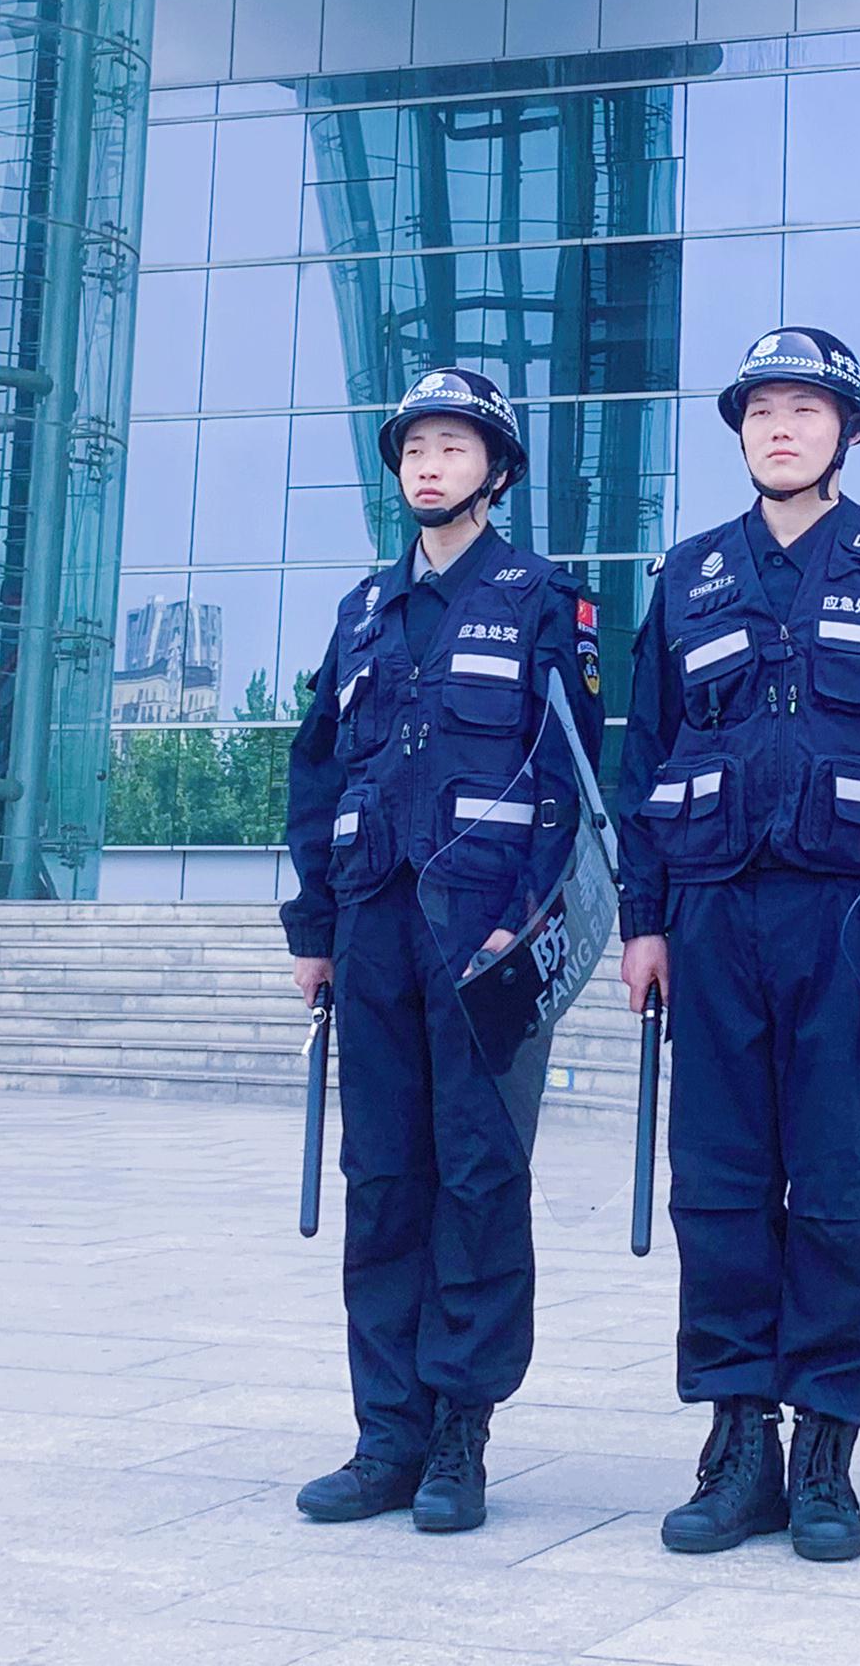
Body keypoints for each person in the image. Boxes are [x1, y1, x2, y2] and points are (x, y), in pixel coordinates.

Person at [615, 327, 860, 1565]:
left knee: (833, 1187)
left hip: (849, 922)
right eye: (761, 410)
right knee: (715, 1184)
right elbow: (644, 762)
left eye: (804, 410)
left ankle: (826, 1450)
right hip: (712, 918)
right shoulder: (687, 575)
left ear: (846, 432)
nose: (779, 428)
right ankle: (736, 1445)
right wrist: (642, 921)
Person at [280, 365, 604, 1536]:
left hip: (485, 938)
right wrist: (313, 927)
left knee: (477, 1178)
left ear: (497, 469)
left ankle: (460, 1432)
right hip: (374, 924)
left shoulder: (541, 599)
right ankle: (387, 1434)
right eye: (415, 447)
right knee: (381, 1181)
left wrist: (529, 916)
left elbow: (571, 778)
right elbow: (319, 770)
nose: (429, 464)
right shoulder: (363, 609)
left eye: (453, 446)